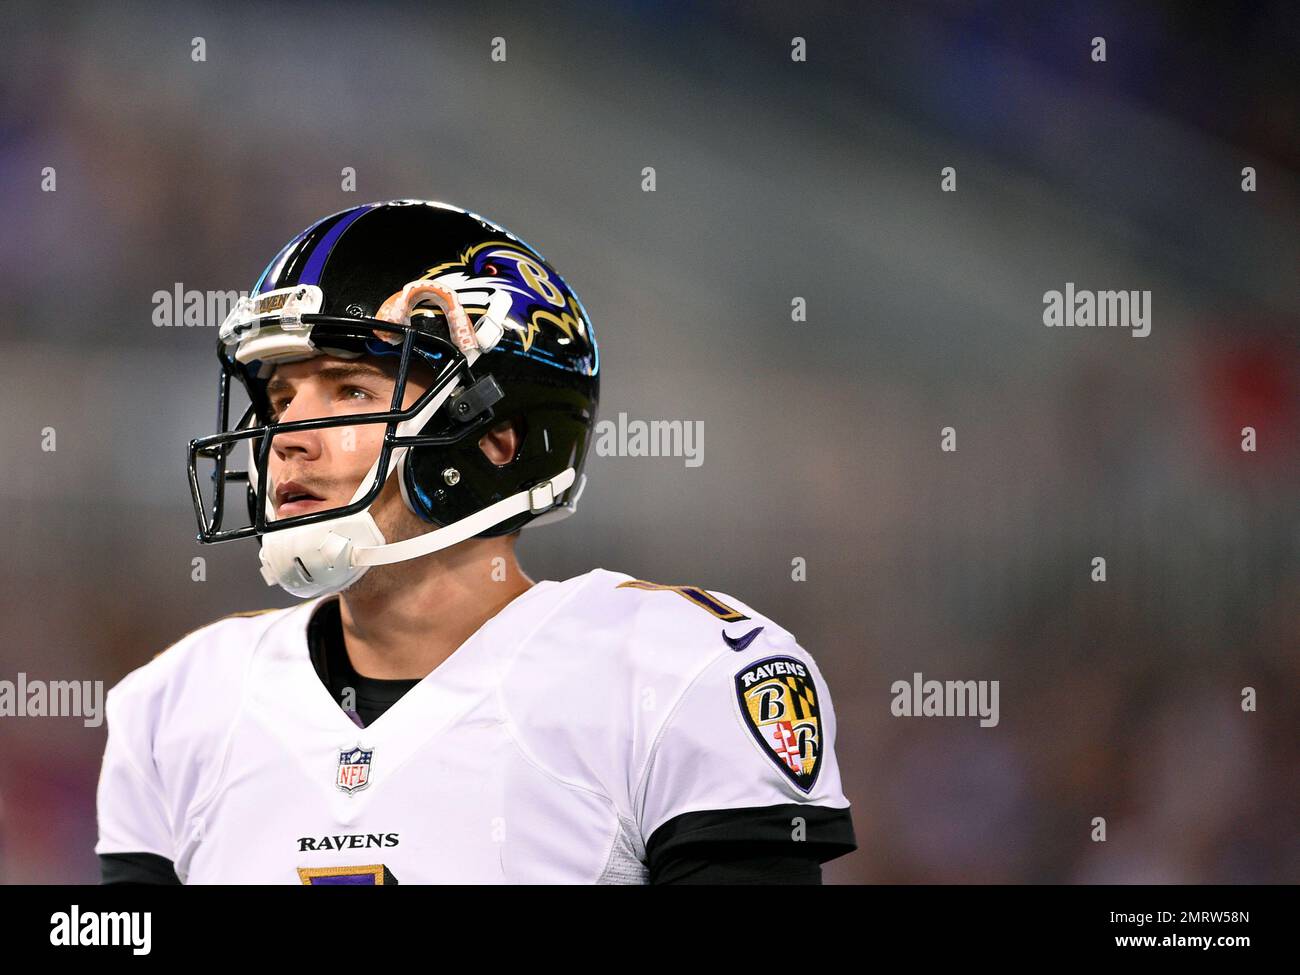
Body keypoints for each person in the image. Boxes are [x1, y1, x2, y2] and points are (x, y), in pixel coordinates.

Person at [96, 200, 856, 884]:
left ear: (494, 438)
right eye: (282, 398)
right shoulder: (176, 708)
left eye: (351, 390)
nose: (288, 439)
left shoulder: (668, 677)